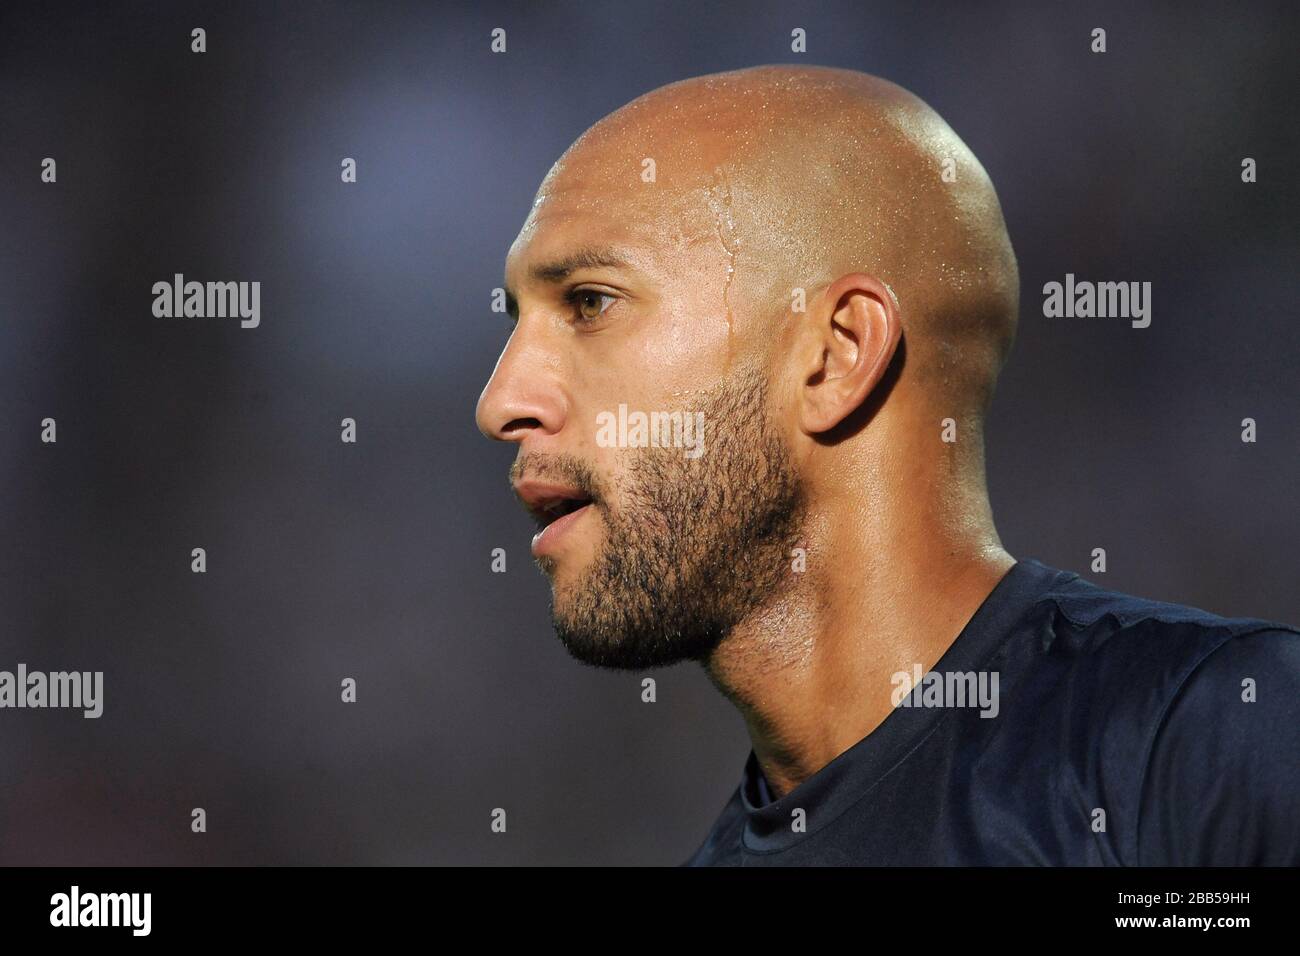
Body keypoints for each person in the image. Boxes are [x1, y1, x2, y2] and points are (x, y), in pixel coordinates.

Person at [475, 65, 1300, 865]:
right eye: (517, 321)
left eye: (589, 302)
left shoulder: (1207, 743)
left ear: (837, 355)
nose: (500, 401)